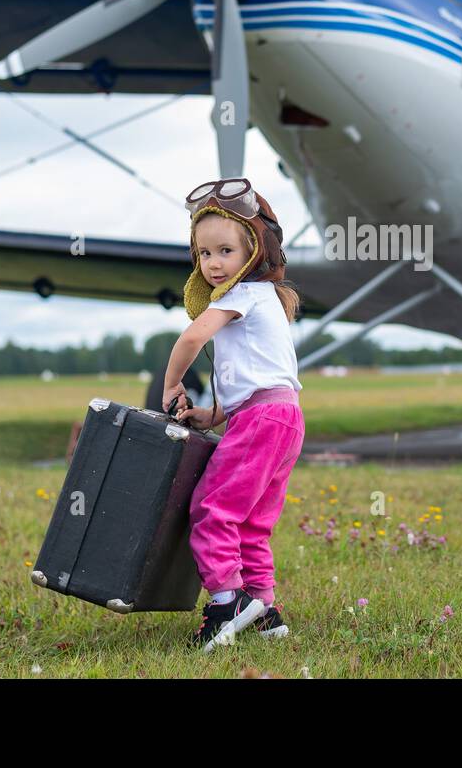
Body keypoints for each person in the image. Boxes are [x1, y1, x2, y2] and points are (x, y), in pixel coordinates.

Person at [162, 178, 305, 652]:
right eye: (204, 254)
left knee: (212, 508)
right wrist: (213, 415)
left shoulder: (241, 296)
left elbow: (190, 339)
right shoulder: (267, 301)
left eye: (225, 251)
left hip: (262, 421)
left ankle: (226, 603)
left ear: (252, 253)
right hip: (281, 416)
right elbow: (258, 378)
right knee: (252, 521)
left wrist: (171, 385)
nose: (213, 263)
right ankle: (264, 610)